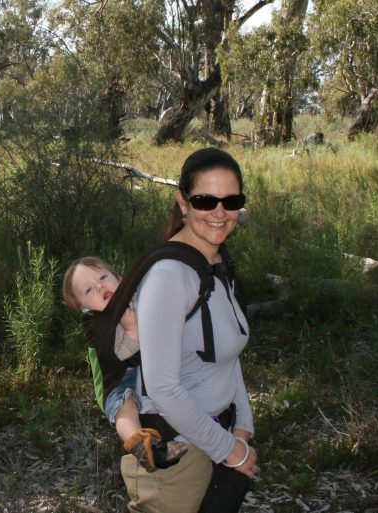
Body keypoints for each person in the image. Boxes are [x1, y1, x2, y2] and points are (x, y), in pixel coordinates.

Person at [126, 147, 259, 513]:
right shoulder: (169, 277)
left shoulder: (216, 265)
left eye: (231, 200)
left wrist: (242, 429)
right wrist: (228, 448)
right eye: (205, 200)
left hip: (218, 437)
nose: (220, 212)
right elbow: (162, 387)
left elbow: (229, 355)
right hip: (179, 455)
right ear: (182, 202)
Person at [62, 257, 191, 471]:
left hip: (143, 374)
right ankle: (142, 447)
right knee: (125, 407)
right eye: (88, 290)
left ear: (121, 280)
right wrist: (132, 330)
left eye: (103, 277)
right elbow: (119, 354)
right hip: (115, 383)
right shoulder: (96, 324)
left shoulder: (136, 298)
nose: (100, 286)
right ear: (83, 308)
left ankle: (170, 443)